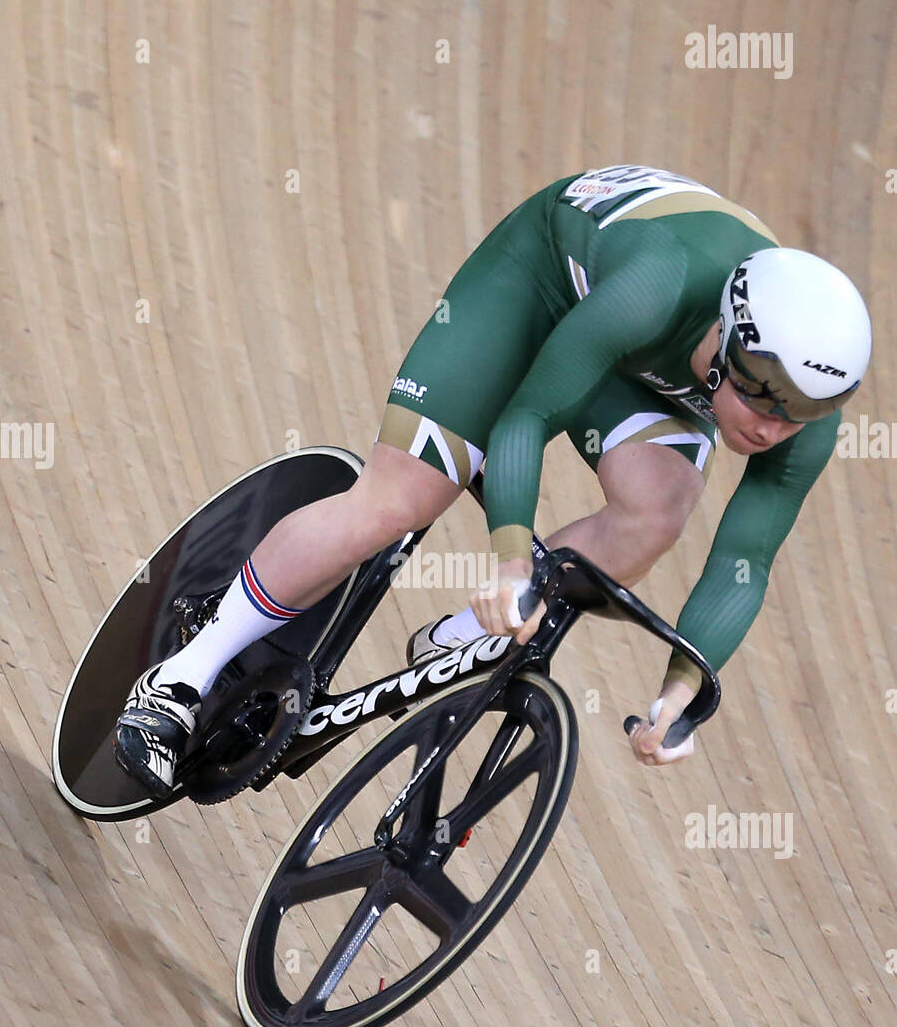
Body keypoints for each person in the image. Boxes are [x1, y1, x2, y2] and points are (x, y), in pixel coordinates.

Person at [114, 164, 872, 796]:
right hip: (541, 284)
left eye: (801, 412)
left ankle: (459, 637)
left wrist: (682, 697)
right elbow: (528, 419)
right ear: (731, 337)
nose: (773, 427)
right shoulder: (658, 286)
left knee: (660, 510)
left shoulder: (801, 405)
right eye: (761, 395)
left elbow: (747, 561)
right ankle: (181, 677)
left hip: (648, 363)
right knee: (400, 500)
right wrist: (512, 559)